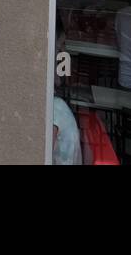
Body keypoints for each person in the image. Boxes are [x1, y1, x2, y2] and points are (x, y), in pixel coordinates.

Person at [52, 14, 81, 165]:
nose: (63, 51)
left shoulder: (54, 110)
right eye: (60, 46)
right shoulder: (56, 107)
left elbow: (65, 79)